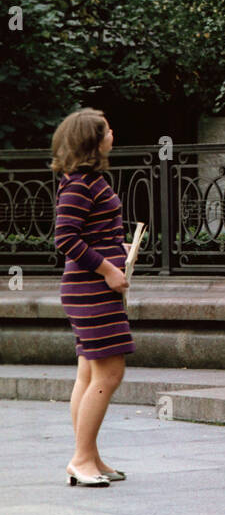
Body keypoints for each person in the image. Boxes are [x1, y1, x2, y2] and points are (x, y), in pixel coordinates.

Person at [52, 106, 134, 487]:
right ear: (94, 140)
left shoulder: (83, 180)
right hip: (91, 290)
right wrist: (108, 269)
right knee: (109, 372)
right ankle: (81, 458)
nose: (112, 133)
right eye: (107, 130)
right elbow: (66, 238)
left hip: (90, 289)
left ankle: (91, 455)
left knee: (88, 373)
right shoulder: (81, 184)